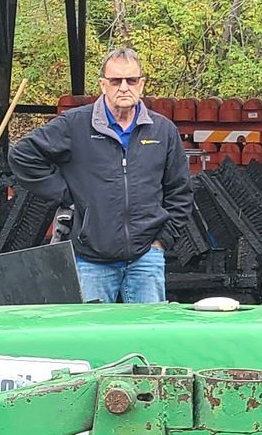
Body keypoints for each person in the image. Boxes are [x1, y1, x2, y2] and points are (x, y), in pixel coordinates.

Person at [10, 46, 192, 303]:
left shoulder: (162, 131)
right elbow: (22, 156)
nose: (124, 87)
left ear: (141, 84)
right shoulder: (75, 125)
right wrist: (66, 194)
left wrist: (162, 241)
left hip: (146, 258)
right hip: (91, 260)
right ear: (103, 84)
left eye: (131, 80)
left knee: (148, 336)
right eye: (116, 81)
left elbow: (180, 191)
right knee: (92, 338)